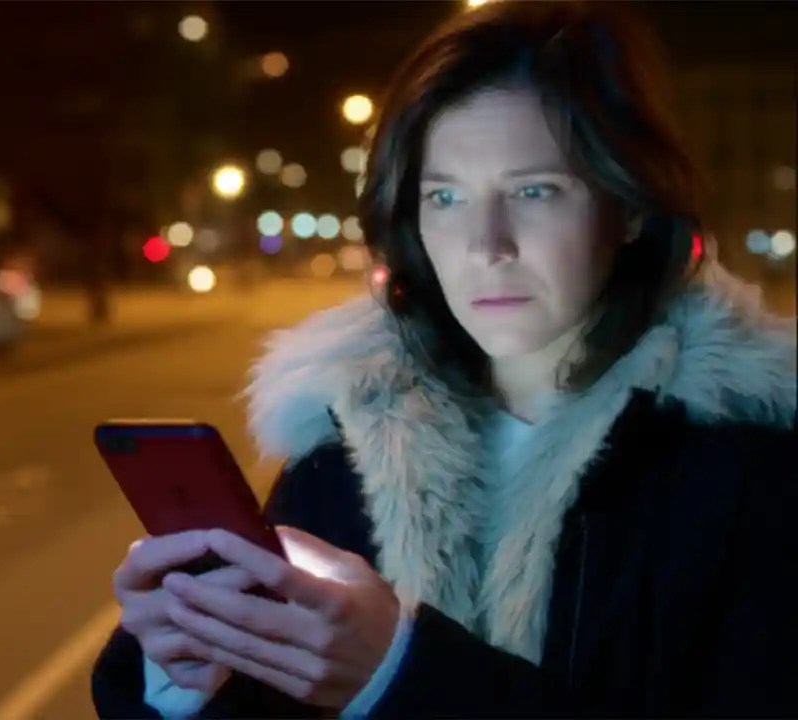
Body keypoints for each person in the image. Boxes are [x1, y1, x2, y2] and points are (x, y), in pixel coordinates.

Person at [91, 1, 798, 718]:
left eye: (533, 191)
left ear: (632, 206)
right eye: (447, 197)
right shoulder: (344, 452)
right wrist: (184, 676)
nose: (486, 244)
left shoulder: (748, 474)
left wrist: (399, 675)